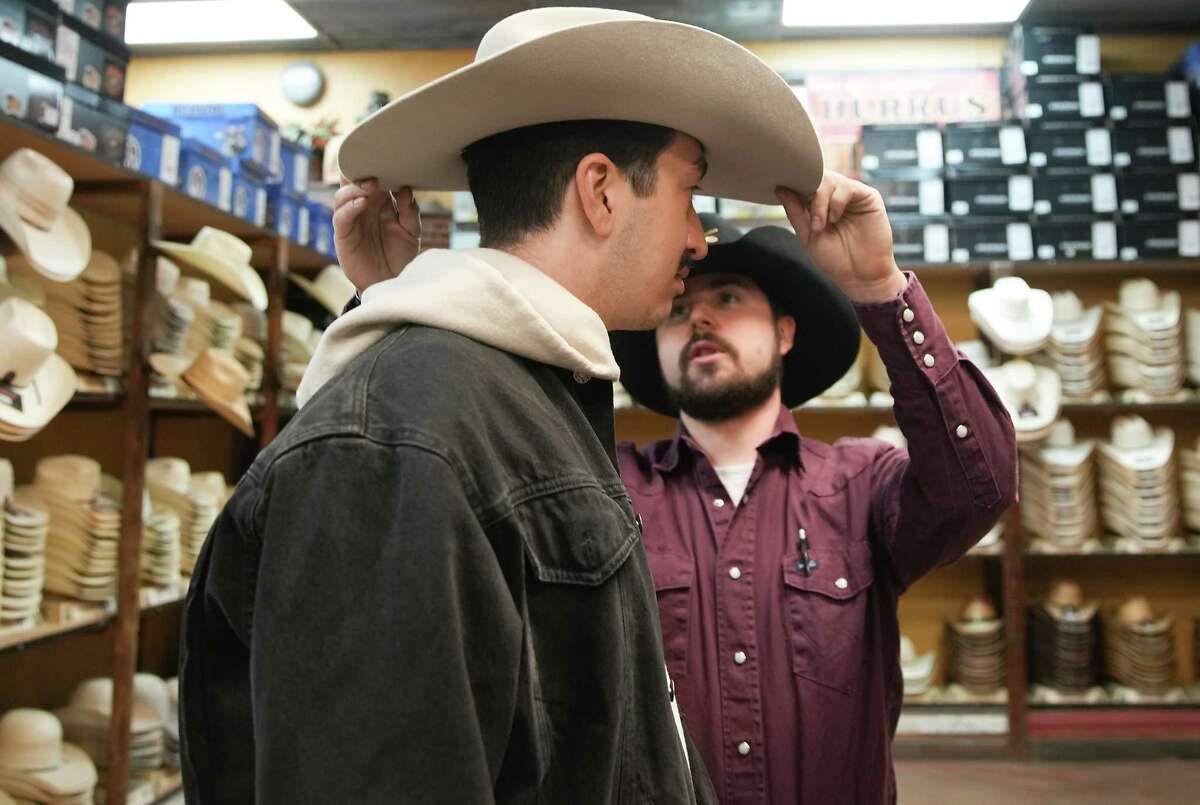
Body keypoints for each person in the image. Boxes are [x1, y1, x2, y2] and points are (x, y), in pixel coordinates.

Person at [178, 7, 826, 803]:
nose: (697, 238)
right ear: (600, 192)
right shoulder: (397, 445)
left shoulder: (509, 398)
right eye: (689, 193)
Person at [345, 186, 1018, 803]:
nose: (698, 321)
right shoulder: (599, 487)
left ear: (785, 331)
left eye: (727, 298)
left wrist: (879, 284)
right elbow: (432, 499)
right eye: (677, 310)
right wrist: (390, 301)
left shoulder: (861, 485)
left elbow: (980, 484)